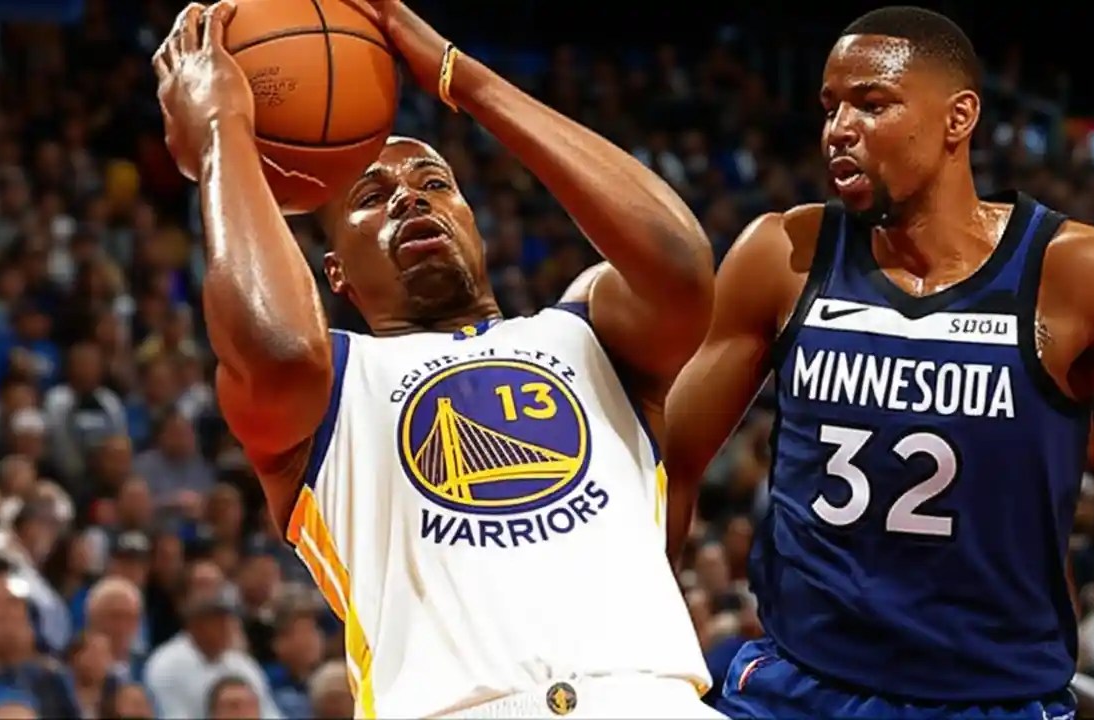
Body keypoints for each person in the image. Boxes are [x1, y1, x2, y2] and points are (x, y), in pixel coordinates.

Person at [664, 5, 1094, 719]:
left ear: (959, 118)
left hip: (990, 698)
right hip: (798, 686)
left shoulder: (1078, 272)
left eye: (872, 103)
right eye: (830, 107)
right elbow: (672, 459)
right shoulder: (782, 254)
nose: (839, 129)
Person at [152, 1, 717, 718]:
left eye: (435, 184)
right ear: (334, 275)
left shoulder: (589, 331)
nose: (411, 201)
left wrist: (461, 78)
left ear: (474, 222)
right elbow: (280, 347)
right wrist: (222, 135)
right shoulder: (332, 384)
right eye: (372, 195)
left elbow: (683, 267)